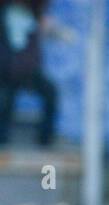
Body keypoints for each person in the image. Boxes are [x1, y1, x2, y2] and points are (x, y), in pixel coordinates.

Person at [0, 0, 62, 146]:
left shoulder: (34, 13)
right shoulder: (4, 11)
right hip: (5, 71)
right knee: (5, 102)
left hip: (28, 71)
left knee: (51, 93)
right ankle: (2, 139)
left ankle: (45, 140)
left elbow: (48, 26)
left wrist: (57, 32)